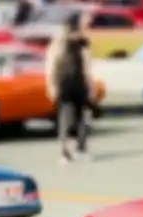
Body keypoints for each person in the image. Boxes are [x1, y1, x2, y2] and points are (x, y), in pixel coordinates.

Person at [46, 12, 92, 163]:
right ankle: (67, 150)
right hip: (65, 82)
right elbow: (51, 64)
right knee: (68, 117)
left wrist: (89, 83)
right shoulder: (61, 42)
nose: (87, 27)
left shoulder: (81, 42)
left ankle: (79, 148)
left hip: (75, 82)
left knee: (79, 117)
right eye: (84, 24)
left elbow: (87, 65)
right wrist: (51, 84)